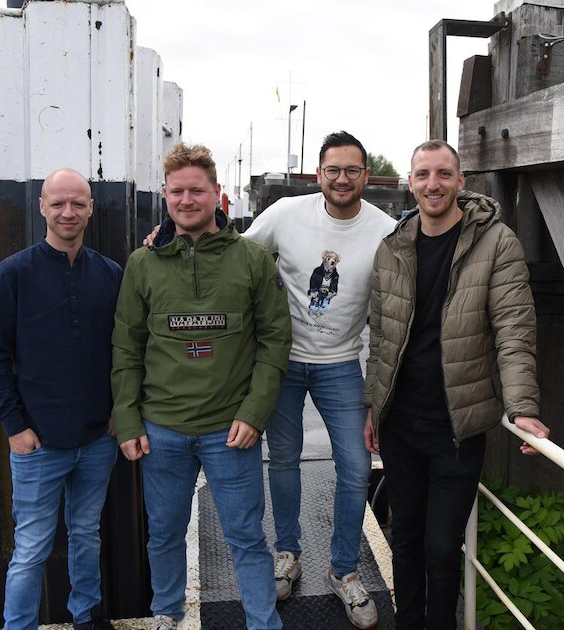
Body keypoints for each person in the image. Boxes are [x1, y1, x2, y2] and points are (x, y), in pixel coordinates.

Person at [145, 131, 395, 629]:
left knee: (352, 466)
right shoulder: (285, 214)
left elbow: (395, 307)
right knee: (282, 460)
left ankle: (344, 569)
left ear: (365, 176)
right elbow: (231, 251)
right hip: (280, 361)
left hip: (342, 362)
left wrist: (380, 388)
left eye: (351, 170)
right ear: (318, 174)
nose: (341, 178)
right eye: (332, 169)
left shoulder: (387, 230)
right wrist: (168, 234)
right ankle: (288, 552)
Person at [362, 140, 550, 630]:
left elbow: (514, 329)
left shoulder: (496, 243)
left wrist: (522, 407)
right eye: (423, 175)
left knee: (442, 547)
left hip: (456, 426)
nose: (433, 184)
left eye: (444, 174)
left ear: (461, 181)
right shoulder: (393, 248)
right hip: (401, 422)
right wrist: (373, 407)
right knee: (405, 537)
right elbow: (380, 335)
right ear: (411, 182)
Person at [112, 143, 292, 630]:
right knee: (164, 534)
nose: (186, 200)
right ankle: (168, 616)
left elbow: (275, 342)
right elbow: (127, 347)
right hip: (161, 431)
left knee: (247, 537)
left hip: (230, 431)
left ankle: (262, 623)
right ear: (165, 197)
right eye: (177, 192)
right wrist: (127, 418)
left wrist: (254, 413)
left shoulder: (253, 260)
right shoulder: (142, 265)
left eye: (197, 190)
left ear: (217, 194)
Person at [0, 167, 122, 630]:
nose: (68, 211)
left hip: (98, 439)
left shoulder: (110, 274)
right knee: (32, 547)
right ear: (42, 207)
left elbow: (126, 351)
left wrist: (119, 412)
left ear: (90, 210)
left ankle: (86, 615)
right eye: (58, 203)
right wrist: (15, 428)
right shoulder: (12, 273)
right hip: (38, 443)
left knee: (86, 534)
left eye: (78, 203)